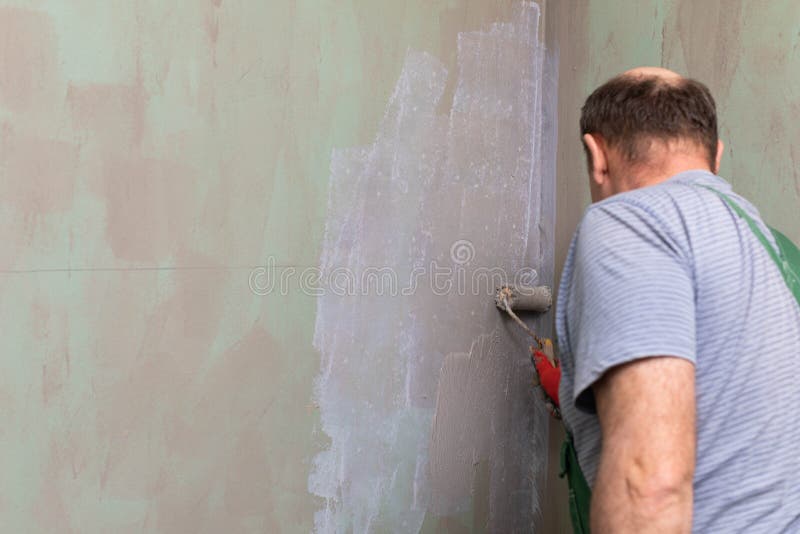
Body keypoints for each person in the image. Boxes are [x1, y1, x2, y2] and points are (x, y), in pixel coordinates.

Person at [535, 67, 800, 533]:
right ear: (714, 157)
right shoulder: (776, 249)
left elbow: (649, 484)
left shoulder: (630, 223)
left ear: (597, 156)